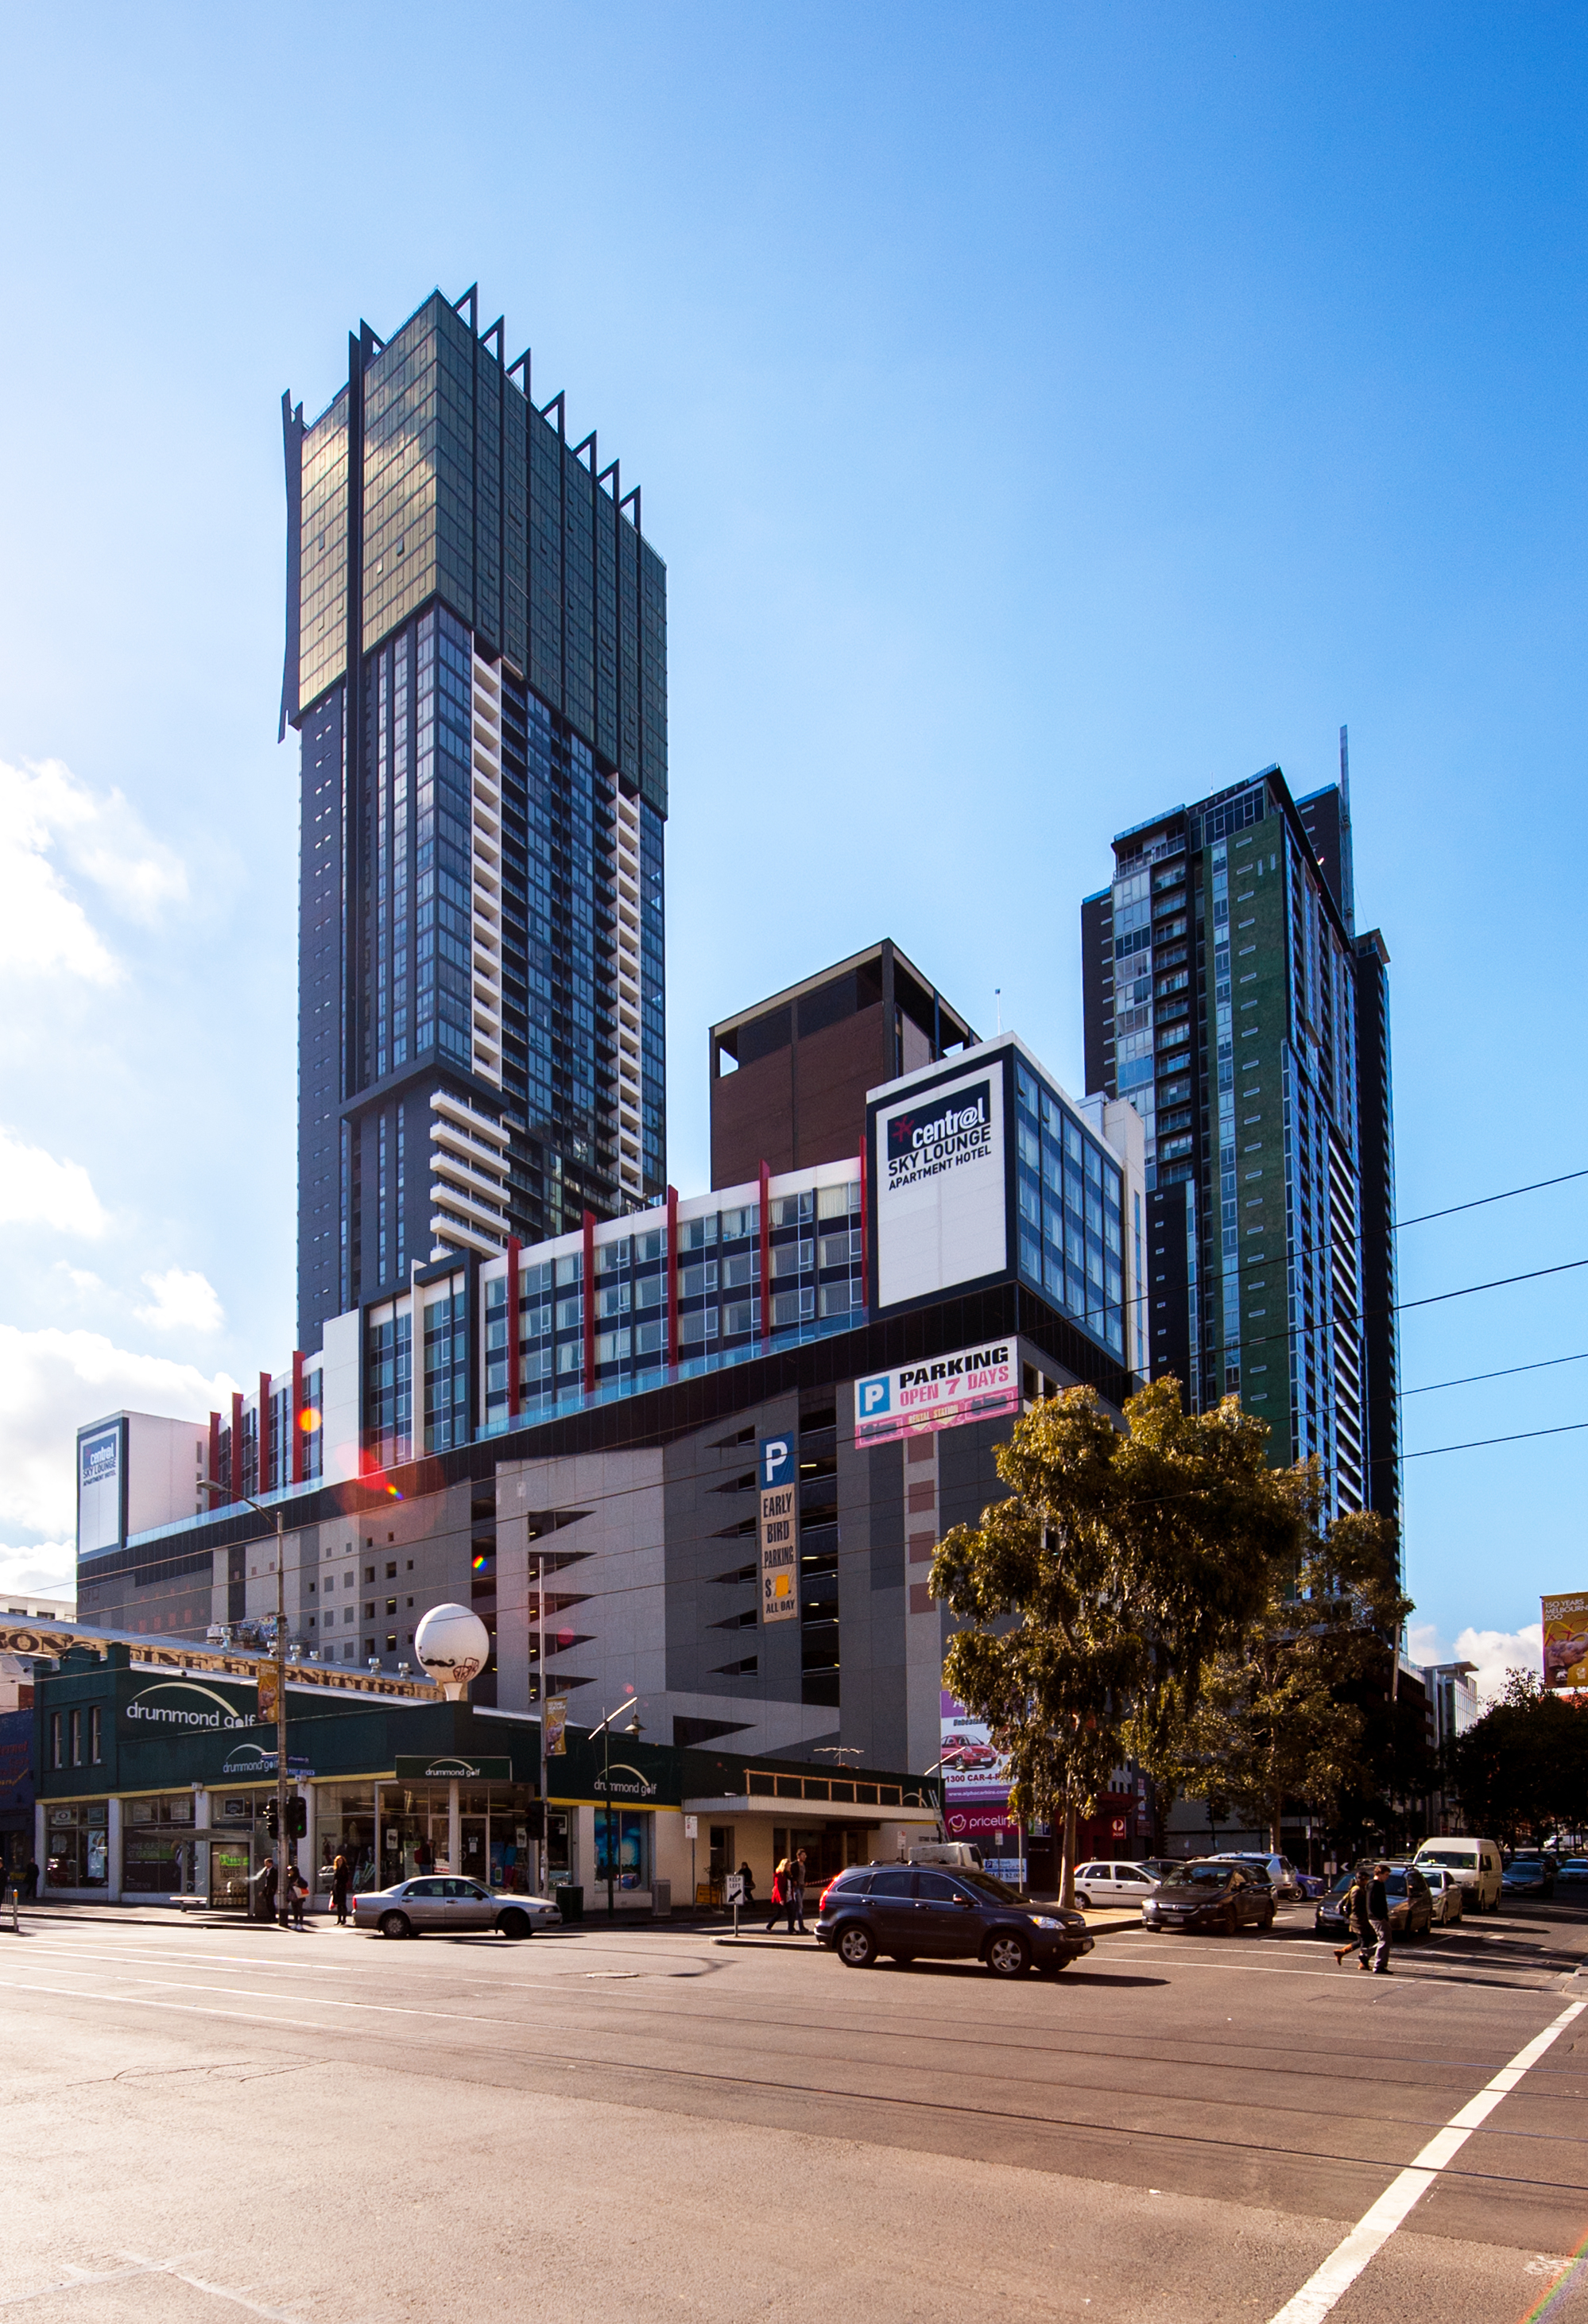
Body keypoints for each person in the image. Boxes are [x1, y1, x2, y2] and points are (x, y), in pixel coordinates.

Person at [1334, 1867, 1369, 1967]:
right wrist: (1362, 1917)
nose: (1366, 1881)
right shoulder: (1357, 1890)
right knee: (1365, 1940)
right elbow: (1356, 1907)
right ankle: (1363, 1963)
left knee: (1362, 1940)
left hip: (1360, 1918)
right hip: (1358, 1919)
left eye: (1367, 1879)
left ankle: (1341, 1952)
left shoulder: (1361, 1889)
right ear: (1358, 1880)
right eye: (1364, 1879)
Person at [1367, 1861, 1393, 1975]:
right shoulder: (1374, 1885)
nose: (1387, 1877)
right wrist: (1380, 1917)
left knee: (1386, 1940)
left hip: (1380, 1917)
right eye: (1386, 1875)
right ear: (1379, 1874)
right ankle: (1379, 1965)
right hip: (1377, 1917)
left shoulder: (1379, 1885)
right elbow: (1371, 1903)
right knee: (1385, 1940)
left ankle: (1366, 1954)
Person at [765, 1857, 788, 1934]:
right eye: (788, 1866)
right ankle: (769, 1926)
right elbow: (778, 1888)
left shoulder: (785, 1875)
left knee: (788, 1911)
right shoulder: (778, 1875)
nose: (789, 1867)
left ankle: (791, 1928)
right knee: (780, 1913)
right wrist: (781, 1899)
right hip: (779, 1896)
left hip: (784, 1895)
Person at [792, 1849, 809, 1935]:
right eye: (803, 1855)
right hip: (797, 1887)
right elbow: (791, 1874)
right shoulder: (794, 1865)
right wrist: (794, 1880)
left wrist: (806, 1881)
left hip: (802, 1887)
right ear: (798, 1856)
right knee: (800, 1906)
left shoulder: (804, 1865)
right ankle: (801, 1927)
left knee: (797, 1907)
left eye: (805, 1855)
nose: (804, 1857)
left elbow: (806, 1875)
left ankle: (792, 1926)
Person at [331, 1853, 350, 1927]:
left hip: (342, 1888)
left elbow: (346, 1878)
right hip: (336, 1888)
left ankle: (344, 1919)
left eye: (341, 1860)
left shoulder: (345, 1869)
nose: (340, 1862)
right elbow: (334, 1879)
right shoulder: (336, 1869)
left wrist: (342, 1884)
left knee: (343, 1904)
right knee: (338, 1904)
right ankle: (339, 1919)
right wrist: (332, 1889)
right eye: (338, 1861)